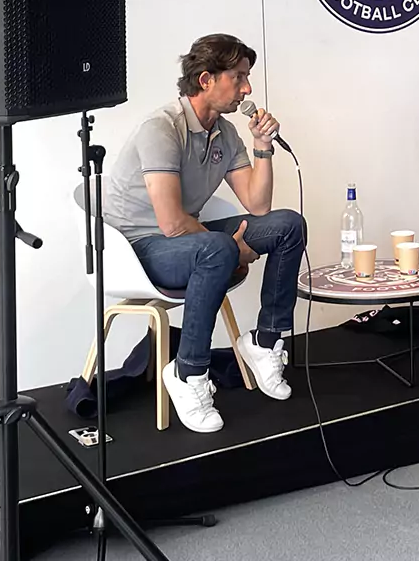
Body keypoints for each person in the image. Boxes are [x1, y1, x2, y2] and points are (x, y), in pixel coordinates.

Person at [100, 34, 306, 433]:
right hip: (138, 248)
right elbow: (172, 223)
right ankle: (188, 372)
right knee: (216, 250)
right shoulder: (161, 128)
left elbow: (258, 205)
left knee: (287, 225)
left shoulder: (224, 132)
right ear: (207, 79)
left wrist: (261, 146)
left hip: (186, 242)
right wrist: (233, 247)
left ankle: (263, 342)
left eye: (248, 77)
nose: (247, 89)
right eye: (239, 77)